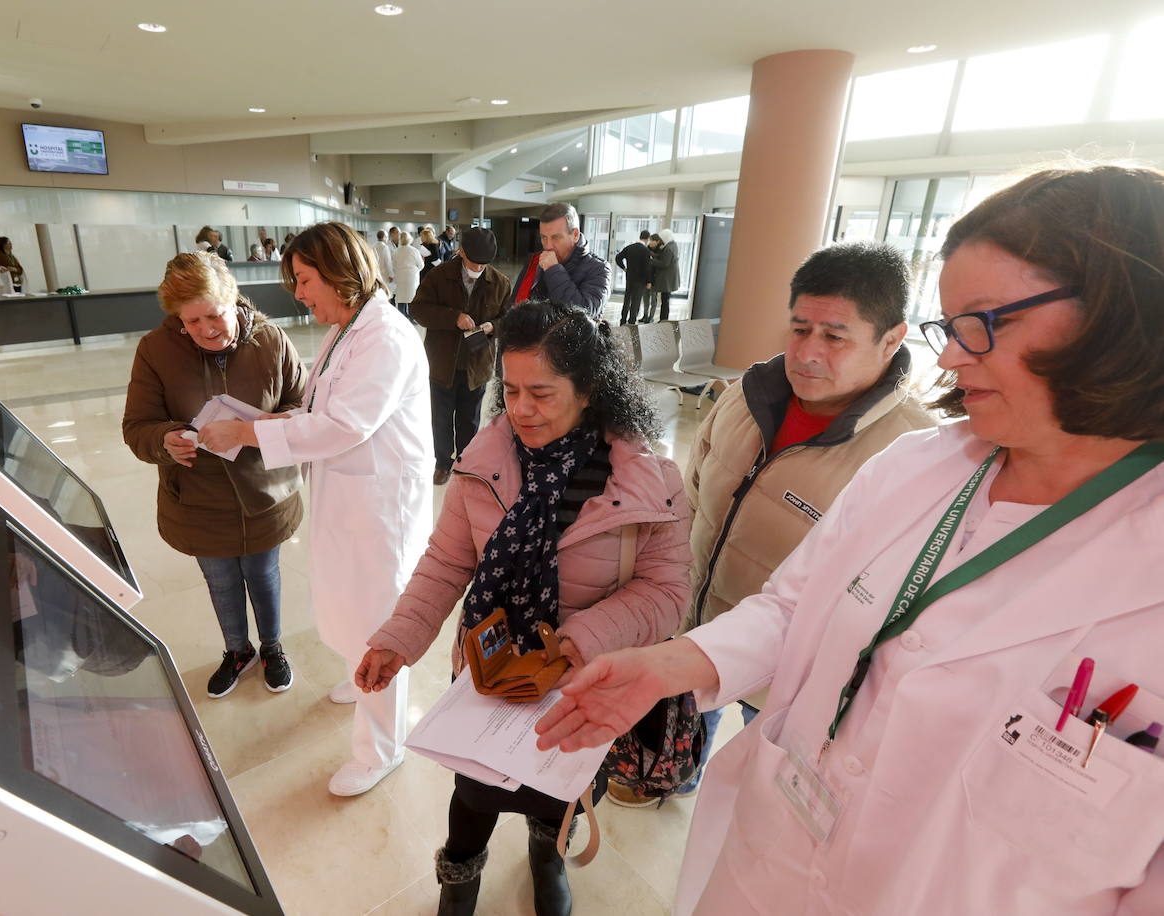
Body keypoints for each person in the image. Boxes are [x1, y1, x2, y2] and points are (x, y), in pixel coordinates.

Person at [536, 164, 1164, 915]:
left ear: (1121, 319)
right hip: (769, 861)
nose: (954, 358)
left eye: (985, 323)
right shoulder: (918, 468)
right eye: (950, 326)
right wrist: (671, 663)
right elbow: (794, 603)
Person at [357, 299, 691, 916]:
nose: (521, 410)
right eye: (509, 390)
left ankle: (547, 853)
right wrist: (398, 637)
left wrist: (579, 639)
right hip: (490, 673)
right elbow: (447, 561)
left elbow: (668, 593)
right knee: (475, 793)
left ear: (589, 389)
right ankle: (460, 874)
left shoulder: (648, 481)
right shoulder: (484, 465)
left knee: (559, 789)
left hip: (579, 681)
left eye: (541, 392)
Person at [607, 241, 935, 808]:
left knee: (757, 790)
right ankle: (679, 769)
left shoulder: (913, 453)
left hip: (790, 671)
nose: (807, 352)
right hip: (696, 626)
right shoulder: (745, 396)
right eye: (799, 328)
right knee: (690, 720)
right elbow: (687, 497)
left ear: (892, 339)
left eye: (834, 336)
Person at [215, 222, 433, 798]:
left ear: (341, 273)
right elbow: (317, 404)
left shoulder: (384, 335)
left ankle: (381, 748)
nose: (299, 293)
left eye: (305, 280)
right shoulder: (346, 329)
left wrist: (249, 431)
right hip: (348, 493)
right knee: (345, 597)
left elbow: (343, 424)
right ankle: (356, 676)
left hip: (380, 504)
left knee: (378, 614)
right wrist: (265, 424)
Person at [122, 250, 305, 698]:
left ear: (233, 299)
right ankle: (236, 650)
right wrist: (166, 438)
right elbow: (137, 427)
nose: (205, 329)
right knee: (220, 579)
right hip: (198, 499)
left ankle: (273, 649)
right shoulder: (155, 351)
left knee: (264, 573)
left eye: (214, 316)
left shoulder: (272, 341)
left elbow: (303, 410)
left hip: (266, 492)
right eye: (191, 322)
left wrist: (253, 430)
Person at [410, 226, 511, 486]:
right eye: (473, 263)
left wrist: (492, 327)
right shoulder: (439, 275)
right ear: (461, 252)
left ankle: (466, 462)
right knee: (441, 417)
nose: (478, 269)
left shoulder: (499, 282)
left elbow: (509, 319)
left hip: (477, 363)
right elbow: (419, 309)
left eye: (483, 265)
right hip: (442, 362)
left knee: (470, 418)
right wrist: (453, 317)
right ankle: (442, 463)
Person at [508, 202, 610, 317]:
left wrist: (553, 270)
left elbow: (583, 316)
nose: (548, 246)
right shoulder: (536, 261)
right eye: (544, 237)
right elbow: (514, 305)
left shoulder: (599, 268)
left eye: (556, 237)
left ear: (575, 235)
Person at [614, 230, 653, 325]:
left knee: (627, 299)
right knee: (636, 301)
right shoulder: (645, 250)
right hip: (641, 280)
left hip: (630, 278)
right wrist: (648, 281)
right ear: (647, 239)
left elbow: (618, 258)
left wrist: (624, 268)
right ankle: (632, 321)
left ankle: (622, 320)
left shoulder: (629, 248)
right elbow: (647, 268)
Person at [646, 229, 679, 322]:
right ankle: (663, 319)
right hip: (669, 277)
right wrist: (652, 254)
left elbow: (664, 263)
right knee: (665, 299)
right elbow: (662, 257)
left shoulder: (669, 248)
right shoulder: (672, 245)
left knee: (665, 300)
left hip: (667, 278)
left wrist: (650, 260)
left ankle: (663, 319)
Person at [392, 231, 425, 319]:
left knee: (401, 298)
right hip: (412, 277)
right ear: (410, 239)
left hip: (400, 277)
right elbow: (421, 265)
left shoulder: (396, 251)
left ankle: (401, 318)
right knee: (412, 298)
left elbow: (393, 265)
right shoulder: (414, 250)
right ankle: (412, 317)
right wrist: (415, 270)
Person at [372, 229, 395, 295]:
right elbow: (388, 262)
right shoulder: (385, 247)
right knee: (385, 293)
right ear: (384, 237)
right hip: (384, 275)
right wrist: (391, 275)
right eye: (387, 237)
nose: (387, 239)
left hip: (375, 274)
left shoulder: (373, 246)